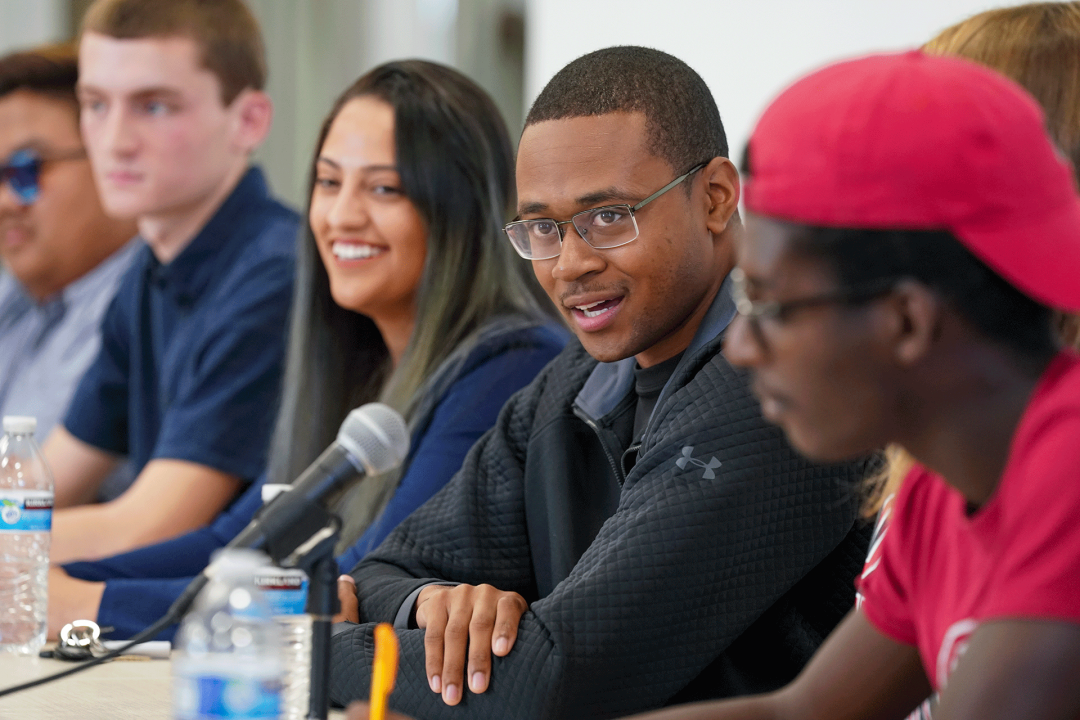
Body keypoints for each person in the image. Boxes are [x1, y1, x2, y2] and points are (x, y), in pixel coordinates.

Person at [330, 46, 871, 720]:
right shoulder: (575, 381)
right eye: (542, 229)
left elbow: (555, 680)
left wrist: (313, 655)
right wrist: (437, 607)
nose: (570, 264)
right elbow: (385, 571)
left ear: (716, 197)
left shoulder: (774, 389)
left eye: (610, 217)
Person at [620, 50, 1080, 720]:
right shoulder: (943, 490)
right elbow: (804, 712)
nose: (741, 346)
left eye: (771, 305)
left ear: (906, 320)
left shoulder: (1067, 476)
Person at [47, 59, 567, 642]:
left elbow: (354, 588)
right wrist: (50, 582)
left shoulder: (512, 367)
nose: (342, 215)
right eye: (327, 181)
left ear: (459, 210)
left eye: (383, 188)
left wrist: (87, 601)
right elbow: (236, 545)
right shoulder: (360, 365)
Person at [44, 0, 299, 563]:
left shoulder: (276, 273)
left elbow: (148, 528)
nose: (114, 141)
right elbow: (42, 487)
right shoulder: (148, 268)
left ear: (248, 121)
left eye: (153, 106)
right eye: (95, 104)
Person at [0, 44, 137, 441]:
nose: (6, 202)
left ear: (111, 159)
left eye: (27, 169)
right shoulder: (19, 297)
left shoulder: (151, 305)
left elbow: (35, 485)